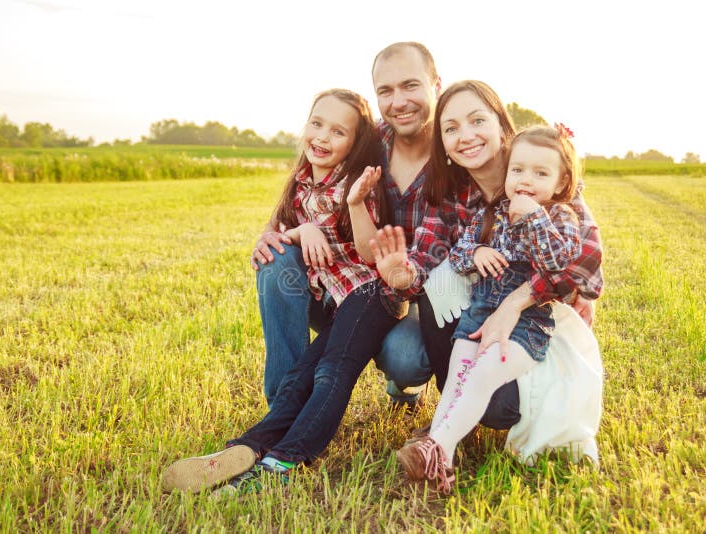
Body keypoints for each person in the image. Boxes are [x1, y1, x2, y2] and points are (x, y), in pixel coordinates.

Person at [160, 89, 405, 495]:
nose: (322, 137)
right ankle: (248, 446)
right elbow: (276, 235)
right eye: (317, 123)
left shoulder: (359, 182)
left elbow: (369, 253)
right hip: (337, 299)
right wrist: (299, 229)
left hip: (370, 294)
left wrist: (354, 203)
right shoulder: (301, 183)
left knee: (330, 372)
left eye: (338, 131)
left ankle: (283, 459)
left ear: (355, 142)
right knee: (304, 374)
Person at [368, 81, 604, 491]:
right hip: (474, 316)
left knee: (487, 391)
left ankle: (444, 439)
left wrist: (516, 301)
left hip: (531, 325)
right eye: (451, 128)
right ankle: (441, 448)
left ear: (502, 126)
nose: (466, 136)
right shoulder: (465, 200)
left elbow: (578, 264)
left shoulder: (550, 195)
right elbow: (431, 262)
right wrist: (399, 274)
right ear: (441, 141)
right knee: (444, 305)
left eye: (478, 120)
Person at [249, 42, 441, 409]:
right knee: (278, 264)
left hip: (403, 293)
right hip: (339, 292)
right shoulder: (367, 143)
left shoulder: (456, 144)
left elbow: (521, 167)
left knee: (405, 356)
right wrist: (271, 239)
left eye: (410, 86)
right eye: (386, 90)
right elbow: (286, 214)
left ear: (435, 83)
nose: (398, 101)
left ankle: (404, 383)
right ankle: (283, 404)